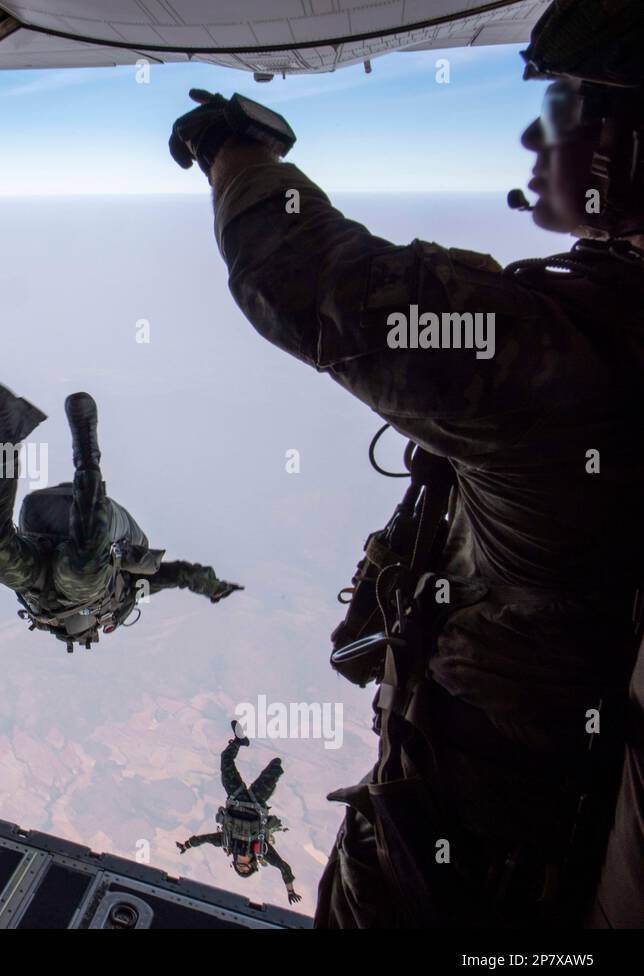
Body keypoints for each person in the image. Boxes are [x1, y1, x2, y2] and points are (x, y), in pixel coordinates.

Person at [167, 0, 644, 927]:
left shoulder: (578, 357)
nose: (533, 135)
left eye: (567, 109)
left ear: (625, 149)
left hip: (474, 869)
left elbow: (307, 278)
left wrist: (234, 146)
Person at [0, 380, 240, 652]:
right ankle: (86, 445)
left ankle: (11, 430)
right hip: (93, 545)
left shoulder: (47, 612)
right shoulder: (129, 593)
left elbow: (181, 577)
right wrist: (213, 587)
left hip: (39, 566)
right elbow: (180, 575)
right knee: (81, 570)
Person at [178, 722, 301, 905]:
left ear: (234, 863)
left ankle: (239, 741)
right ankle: (295, 745)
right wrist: (290, 890)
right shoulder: (262, 851)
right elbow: (283, 866)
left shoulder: (227, 842)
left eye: (239, 868)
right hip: (256, 801)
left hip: (236, 796)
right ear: (253, 865)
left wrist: (187, 845)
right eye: (246, 869)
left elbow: (203, 839)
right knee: (277, 765)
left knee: (225, 759)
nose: (242, 866)